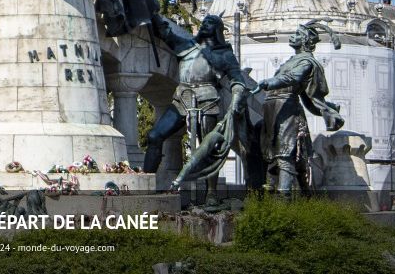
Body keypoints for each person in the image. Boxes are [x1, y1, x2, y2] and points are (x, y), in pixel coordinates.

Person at [143, 14, 248, 204]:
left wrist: (237, 93)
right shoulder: (185, 45)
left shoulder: (224, 54)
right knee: (154, 136)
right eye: (204, 22)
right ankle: (144, 184)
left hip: (207, 102)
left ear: (217, 29)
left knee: (208, 148)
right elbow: (165, 32)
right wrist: (149, 11)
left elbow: (236, 78)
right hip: (181, 100)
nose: (205, 25)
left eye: (210, 23)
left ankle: (211, 194)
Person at [251, 20, 345, 197]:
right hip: (273, 110)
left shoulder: (307, 62)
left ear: (304, 41)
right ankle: (282, 196)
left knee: (285, 155)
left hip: (287, 111)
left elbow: (293, 79)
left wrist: (268, 82)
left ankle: (284, 200)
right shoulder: (292, 60)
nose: (292, 37)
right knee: (270, 154)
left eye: (296, 35)